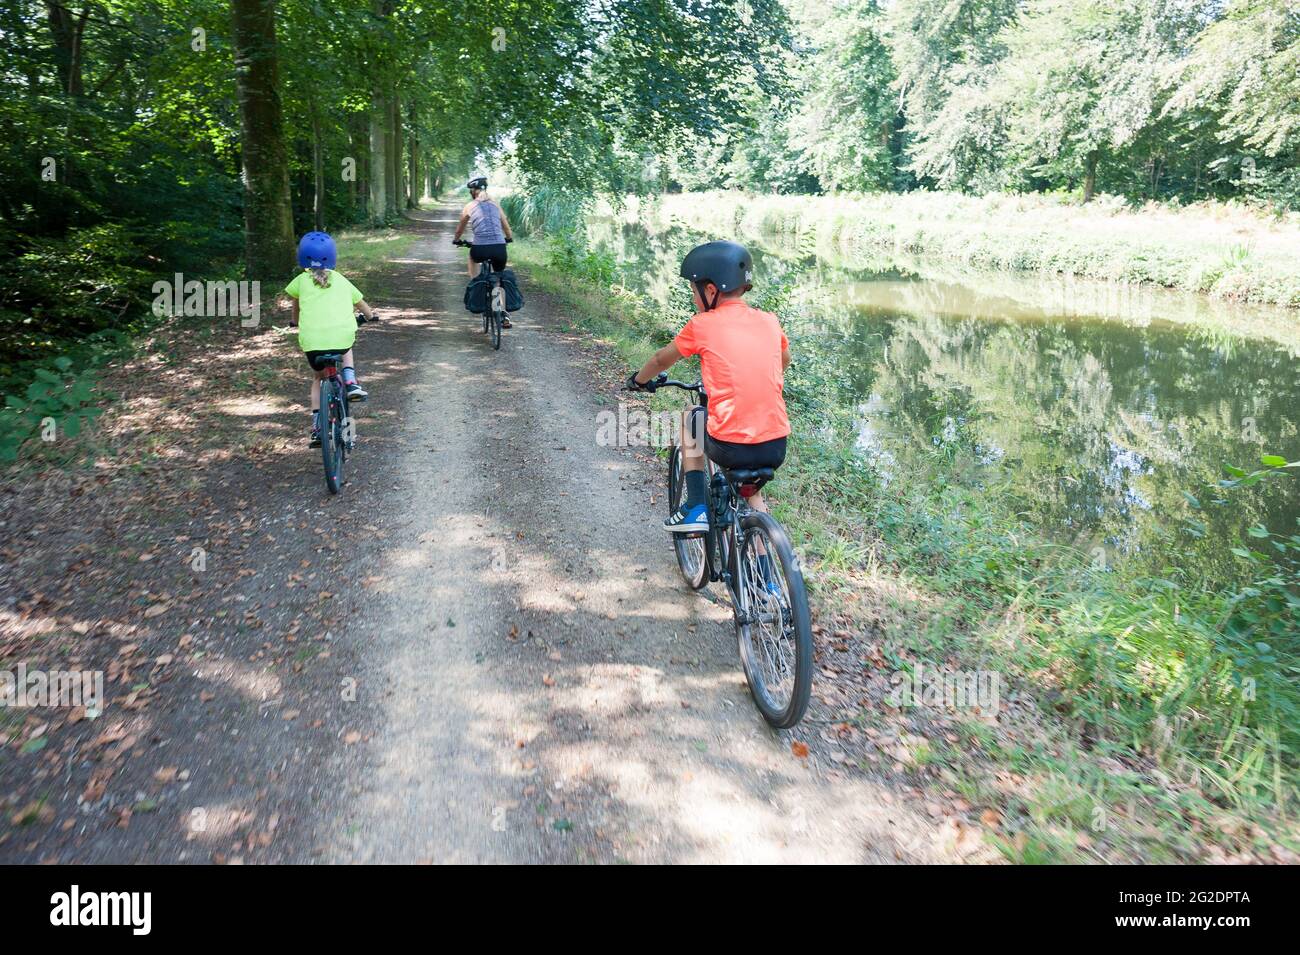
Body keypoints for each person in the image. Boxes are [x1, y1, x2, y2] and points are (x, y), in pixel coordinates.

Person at [627, 240, 791, 534]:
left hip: (731, 446)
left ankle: (696, 507)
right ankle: (766, 571)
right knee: (752, 491)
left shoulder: (703, 324)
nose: (694, 299)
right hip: (776, 444)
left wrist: (638, 381)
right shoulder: (769, 320)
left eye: (694, 291)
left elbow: (660, 358)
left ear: (711, 290)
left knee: (691, 416)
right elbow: (783, 361)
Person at [285, 231, 376, 447]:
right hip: (340, 338)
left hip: (312, 343)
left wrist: (295, 323)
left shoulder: (300, 282)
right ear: (332, 257)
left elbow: (295, 313)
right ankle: (351, 381)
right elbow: (363, 306)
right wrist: (371, 316)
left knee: (318, 379)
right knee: (346, 343)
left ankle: (317, 428)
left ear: (302, 258)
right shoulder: (342, 280)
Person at [452, 175, 516, 327]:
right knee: (499, 278)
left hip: (480, 248)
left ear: (473, 191)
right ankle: (502, 315)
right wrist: (508, 238)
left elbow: (460, 228)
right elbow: (506, 225)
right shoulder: (495, 205)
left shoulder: (470, 206)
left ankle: (476, 281)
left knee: (473, 257)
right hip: (499, 248)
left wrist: (456, 240)